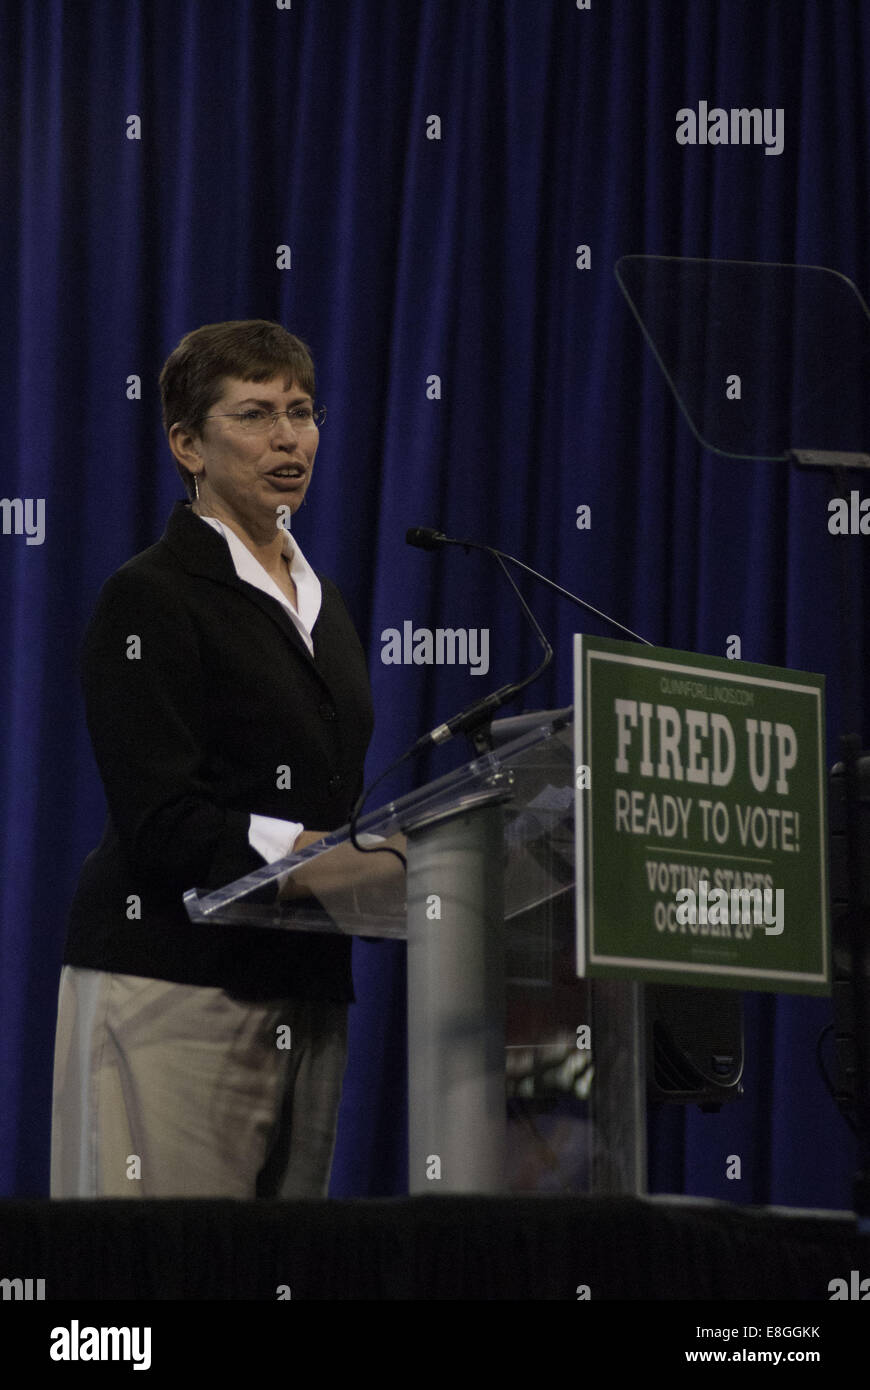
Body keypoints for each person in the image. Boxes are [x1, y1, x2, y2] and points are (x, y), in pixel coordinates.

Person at [50, 319, 374, 1198]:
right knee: (165, 1276)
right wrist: (315, 858)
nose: (287, 437)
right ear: (187, 444)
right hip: (174, 981)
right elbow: (161, 822)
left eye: (302, 412)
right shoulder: (149, 595)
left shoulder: (325, 604)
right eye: (256, 414)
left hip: (306, 985)